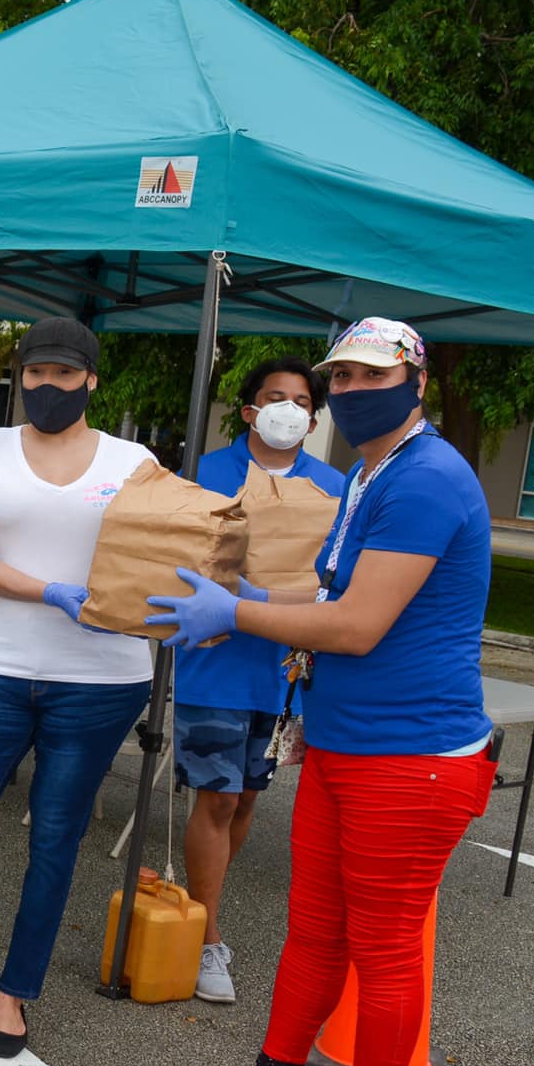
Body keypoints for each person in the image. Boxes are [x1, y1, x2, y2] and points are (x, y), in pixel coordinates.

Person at [152, 317, 495, 1066]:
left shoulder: (425, 478)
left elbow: (357, 623)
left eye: (371, 375)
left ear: (416, 383)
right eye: (339, 376)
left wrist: (237, 614)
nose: (349, 391)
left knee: (384, 951)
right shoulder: (375, 470)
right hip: (350, 744)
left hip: (412, 756)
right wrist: (257, 593)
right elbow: (335, 586)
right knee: (313, 931)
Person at [0, 317, 155, 1056]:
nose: (47, 386)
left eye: (63, 373)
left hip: (102, 678)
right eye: (35, 373)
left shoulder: (135, 462)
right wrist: (51, 591)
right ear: (20, 376)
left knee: (56, 838)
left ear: (91, 379)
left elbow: (158, 555)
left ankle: (16, 990)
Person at [172, 358, 345, 1004]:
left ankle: (202, 907)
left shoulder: (334, 488)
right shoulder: (207, 474)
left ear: (314, 420)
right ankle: (207, 935)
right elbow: (177, 554)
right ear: (249, 410)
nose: (288, 410)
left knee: (246, 799)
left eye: (301, 401)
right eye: (276, 398)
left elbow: (338, 583)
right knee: (216, 799)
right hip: (215, 663)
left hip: (286, 669)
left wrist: (268, 597)